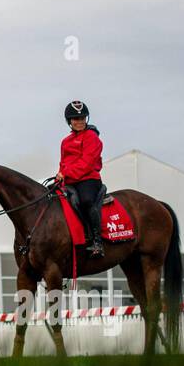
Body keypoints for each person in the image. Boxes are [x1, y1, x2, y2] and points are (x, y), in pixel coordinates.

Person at [54, 100, 104, 256]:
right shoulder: (65, 141)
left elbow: (87, 163)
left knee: (86, 201)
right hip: (69, 181)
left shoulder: (91, 137)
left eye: (82, 118)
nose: (80, 121)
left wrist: (66, 174)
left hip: (88, 179)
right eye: (76, 119)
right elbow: (63, 164)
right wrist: (59, 177)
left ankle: (97, 241)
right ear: (69, 121)